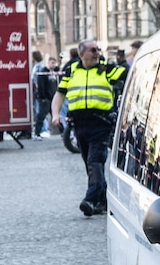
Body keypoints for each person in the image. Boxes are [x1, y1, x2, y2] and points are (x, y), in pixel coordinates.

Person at [55, 42, 127, 216]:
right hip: (79, 126)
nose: (97, 53)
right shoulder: (71, 71)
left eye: (98, 50)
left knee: (95, 161)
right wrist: (55, 113)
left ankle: (90, 199)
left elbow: (131, 74)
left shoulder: (107, 70)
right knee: (90, 164)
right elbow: (60, 93)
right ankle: (102, 200)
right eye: (93, 50)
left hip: (101, 124)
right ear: (81, 54)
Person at [31, 53, 57, 138]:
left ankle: (63, 131)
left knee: (55, 115)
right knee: (41, 116)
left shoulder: (54, 72)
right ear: (48, 63)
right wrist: (42, 97)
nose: (53, 65)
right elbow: (41, 85)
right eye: (52, 63)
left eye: (54, 63)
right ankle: (37, 133)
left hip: (52, 98)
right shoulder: (43, 72)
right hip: (46, 98)